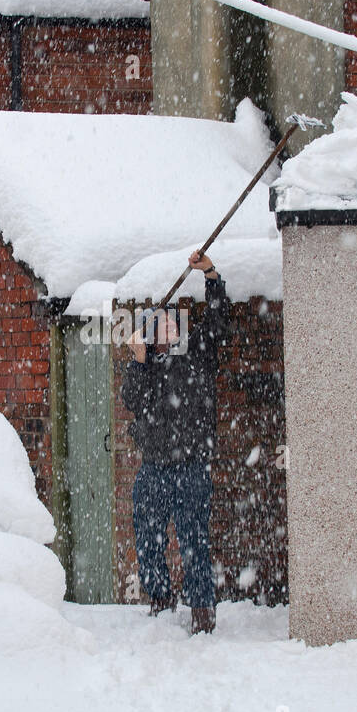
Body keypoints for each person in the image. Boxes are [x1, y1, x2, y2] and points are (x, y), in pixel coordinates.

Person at [122, 250, 229, 635]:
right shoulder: (144, 367)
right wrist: (137, 361)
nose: (168, 326)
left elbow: (218, 319)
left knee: (193, 541)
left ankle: (202, 611)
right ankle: (160, 601)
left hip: (190, 466)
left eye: (171, 321)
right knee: (148, 539)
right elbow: (131, 402)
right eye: (160, 323)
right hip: (153, 467)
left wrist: (211, 275)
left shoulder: (198, 354)